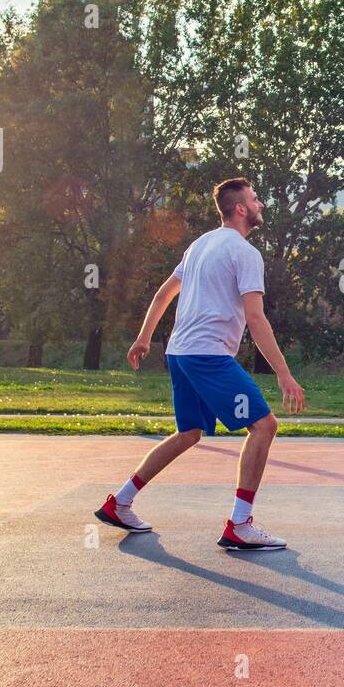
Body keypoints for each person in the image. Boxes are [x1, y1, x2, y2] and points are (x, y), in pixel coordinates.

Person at [93, 177, 306, 550]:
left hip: (179, 353)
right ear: (240, 208)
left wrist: (144, 338)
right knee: (264, 426)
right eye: (256, 200)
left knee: (189, 433)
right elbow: (256, 319)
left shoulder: (199, 245)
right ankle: (240, 524)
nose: (261, 206)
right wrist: (285, 375)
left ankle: (120, 502)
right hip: (208, 355)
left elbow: (163, 295)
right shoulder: (244, 253)